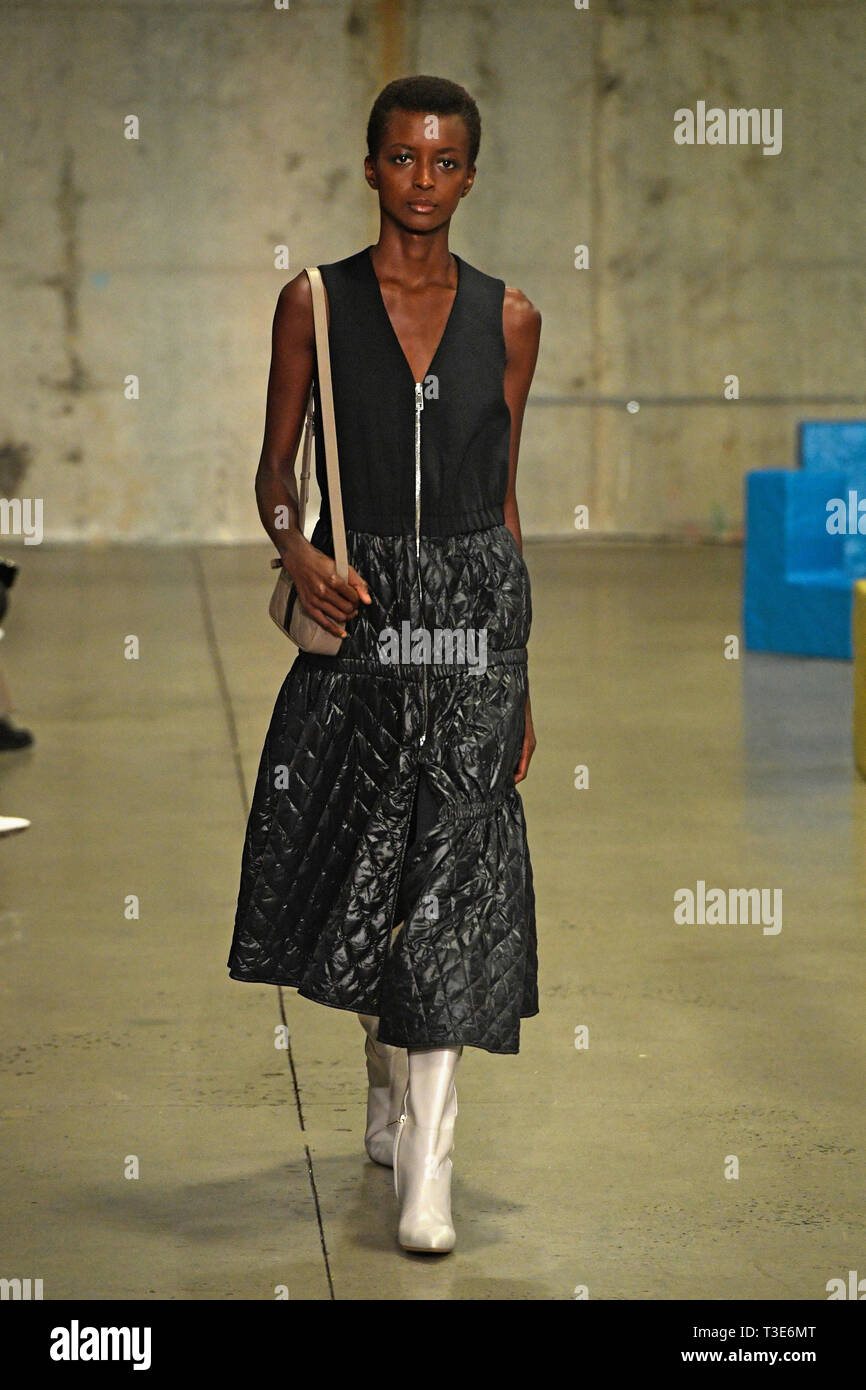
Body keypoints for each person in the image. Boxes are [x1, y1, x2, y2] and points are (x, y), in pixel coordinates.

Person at [227, 74, 541, 1254]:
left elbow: (502, 501)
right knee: (365, 864)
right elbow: (273, 473)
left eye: (444, 161)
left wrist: (519, 671)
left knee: (452, 885)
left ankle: (430, 1169)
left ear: (469, 174)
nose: (422, 180)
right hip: (361, 614)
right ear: (369, 168)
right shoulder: (312, 301)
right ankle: (380, 1074)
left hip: (469, 618)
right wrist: (293, 546)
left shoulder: (509, 317)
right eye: (402, 159)